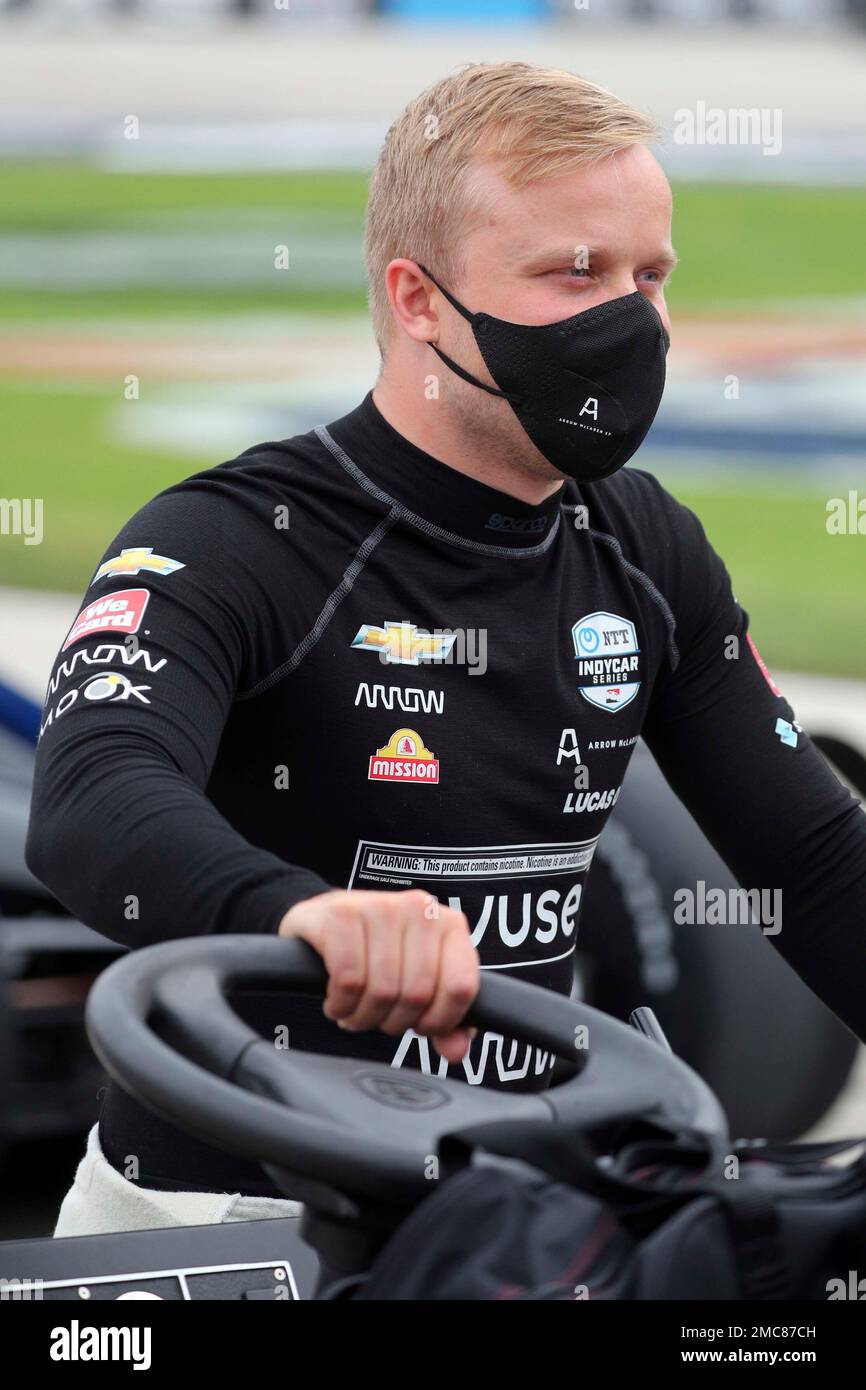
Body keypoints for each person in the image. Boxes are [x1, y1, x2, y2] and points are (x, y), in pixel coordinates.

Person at [27, 61, 866, 1236]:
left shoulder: (642, 543)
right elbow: (87, 800)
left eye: (649, 275)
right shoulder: (228, 537)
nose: (631, 319)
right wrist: (298, 915)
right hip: (216, 1218)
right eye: (573, 272)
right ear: (417, 299)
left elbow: (815, 857)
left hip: (505, 1216)